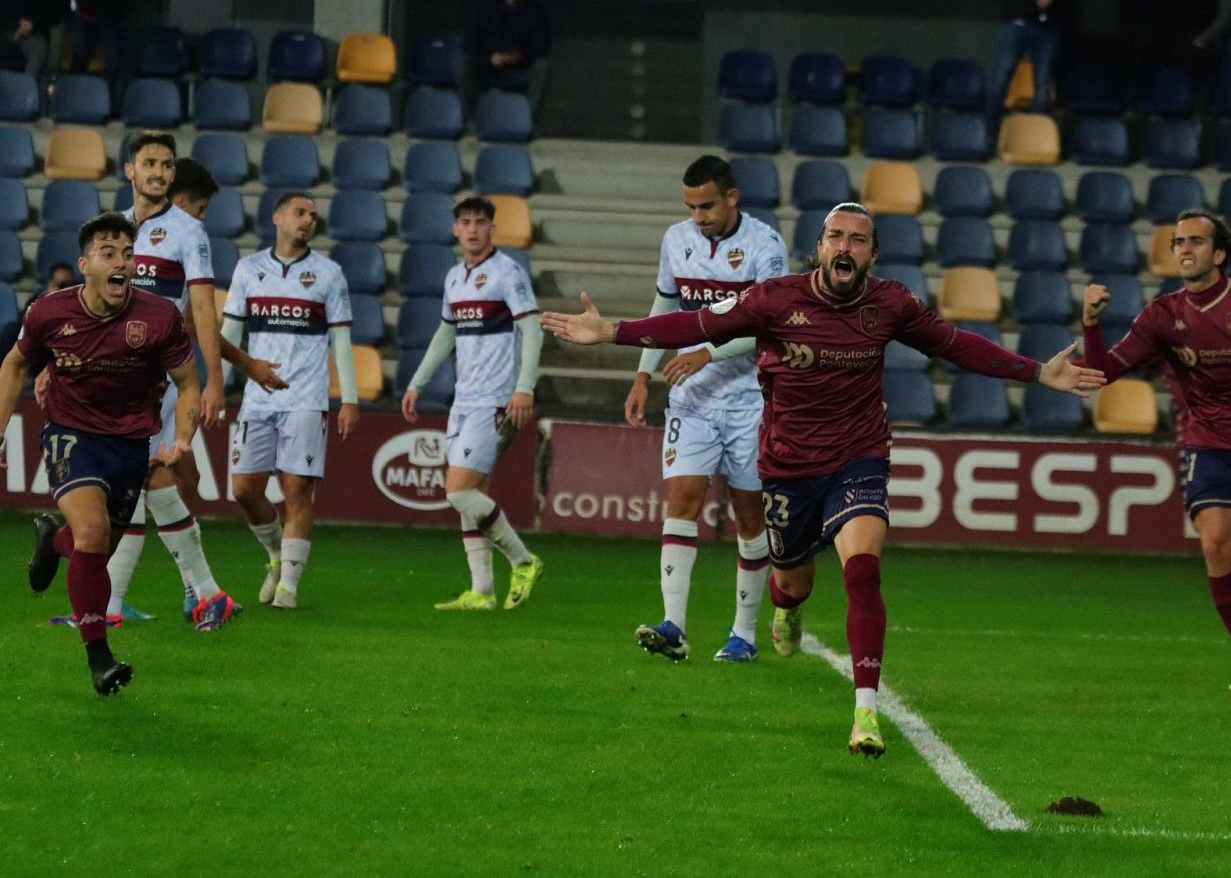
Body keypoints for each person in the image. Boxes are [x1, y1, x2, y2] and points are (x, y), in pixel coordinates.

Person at [543, 203, 1107, 757]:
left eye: (857, 240)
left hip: (858, 456)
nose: (845, 247)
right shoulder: (775, 298)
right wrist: (614, 330)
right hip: (788, 466)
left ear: (873, 254)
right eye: (835, 236)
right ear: (818, 247)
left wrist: (1035, 372)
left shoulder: (892, 304)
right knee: (793, 584)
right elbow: (693, 322)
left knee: (863, 572)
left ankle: (865, 710)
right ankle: (785, 610)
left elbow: (955, 344)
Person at [1079, 210, 1231, 692]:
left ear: (1218, 254)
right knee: (1215, 544)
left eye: (1195, 241)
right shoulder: (1162, 315)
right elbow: (1103, 373)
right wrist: (1092, 324)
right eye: (1177, 242)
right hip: (1207, 440)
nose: (1183, 249)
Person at [1, 212, 198, 694]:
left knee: (95, 547)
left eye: (128, 254)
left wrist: (185, 437)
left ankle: (53, 542)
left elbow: (189, 382)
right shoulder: (48, 312)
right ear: (85, 264)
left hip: (131, 443)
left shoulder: (158, 317)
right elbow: (15, 364)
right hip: (72, 433)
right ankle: (100, 657)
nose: (122, 262)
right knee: (92, 532)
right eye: (109, 254)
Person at [624, 155, 788, 664]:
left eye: (707, 205)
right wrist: (643, 374)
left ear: (732, 197)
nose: (698, 216)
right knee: (682, 499)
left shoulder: (766, 247)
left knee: (748, 515)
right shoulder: (677, 240)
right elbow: (664, 309)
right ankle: (673, 625)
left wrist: (707, 353)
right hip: (691, 399)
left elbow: (768, 327)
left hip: (750, 402)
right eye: (691, 206)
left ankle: (744, 635)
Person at [114, 133, 237, 630]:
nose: (159, 172)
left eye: (166, 164)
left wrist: (213, 380)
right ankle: (199, 595)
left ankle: (194, 595)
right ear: (131, 171)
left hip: (159, 376)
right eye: (149, 163)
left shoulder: (187, 231)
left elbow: (203, 310)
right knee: (145, 479)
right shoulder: (113, 228)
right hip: (113, 373)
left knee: (138, 476)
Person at [402, 196, 544, 611]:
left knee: (459, 491)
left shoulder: (507, 273)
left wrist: (525, 387)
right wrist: (418, 383)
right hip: (464, 398)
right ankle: (481, 591)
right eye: (466, 222)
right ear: (456, 230)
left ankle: (524, 560)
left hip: (497, 399)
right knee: (474, 493)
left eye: (481, 222)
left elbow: (532, 331)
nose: (473, 229)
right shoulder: (454, 278)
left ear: (492, 229)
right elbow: (446, 334)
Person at [222, 191, 358, 610]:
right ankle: (277, 556)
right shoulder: (248, 270)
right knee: (244, 489)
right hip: (257, 399)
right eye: (300, 213)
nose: (308, 221)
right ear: (277, 217)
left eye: (313, 216)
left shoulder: (329, 274)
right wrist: (214, 387)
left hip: (307, 397)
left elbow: (341, 339)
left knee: (296, 490)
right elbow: (229, 334)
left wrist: (348, 399)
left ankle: (289, 588)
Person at [456, 0, 551, 121]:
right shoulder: (487, 6)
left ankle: (527, 122)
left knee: (543, 68)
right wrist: (490, 58)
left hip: (521, 66)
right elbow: (471, 42)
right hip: (489, 65)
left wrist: (521, 55)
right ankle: (474, 121)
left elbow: (542, 43)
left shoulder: (535, 9)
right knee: (461, 65)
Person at [988, 0, 1064, 126]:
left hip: (1048, 26)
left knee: (1043, 84)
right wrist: (1035, 2)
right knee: (1000, 79)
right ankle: (991, 136)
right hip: (1016, 21)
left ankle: (1037, 137)